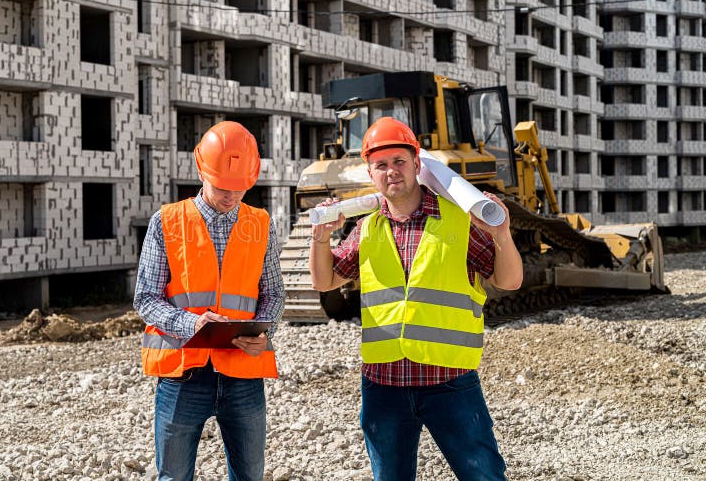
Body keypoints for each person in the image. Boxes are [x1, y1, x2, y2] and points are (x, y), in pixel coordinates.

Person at [309, 116, 523, 481]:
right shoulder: (367, 226)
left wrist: (502, 236)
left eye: (399, 162)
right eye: (381, 165)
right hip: (384, 384)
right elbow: (325, 281)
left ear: (417, 165)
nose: (391, 172)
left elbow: (509, 280)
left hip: (450, 382)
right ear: (370, 174)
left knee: (484, 476)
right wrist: (319, 237)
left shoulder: (459, 219)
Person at [134, 121, 284, 481]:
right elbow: (146, 297)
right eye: (222, 186)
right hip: (184, 373)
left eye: (240, 187)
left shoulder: (261, 223)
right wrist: (192, 324)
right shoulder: (166, 221)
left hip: (243, 374)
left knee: (250, 476)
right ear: (202, 170)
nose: (231, 195)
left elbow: (274, 294)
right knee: (173, 477)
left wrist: (264, 331)